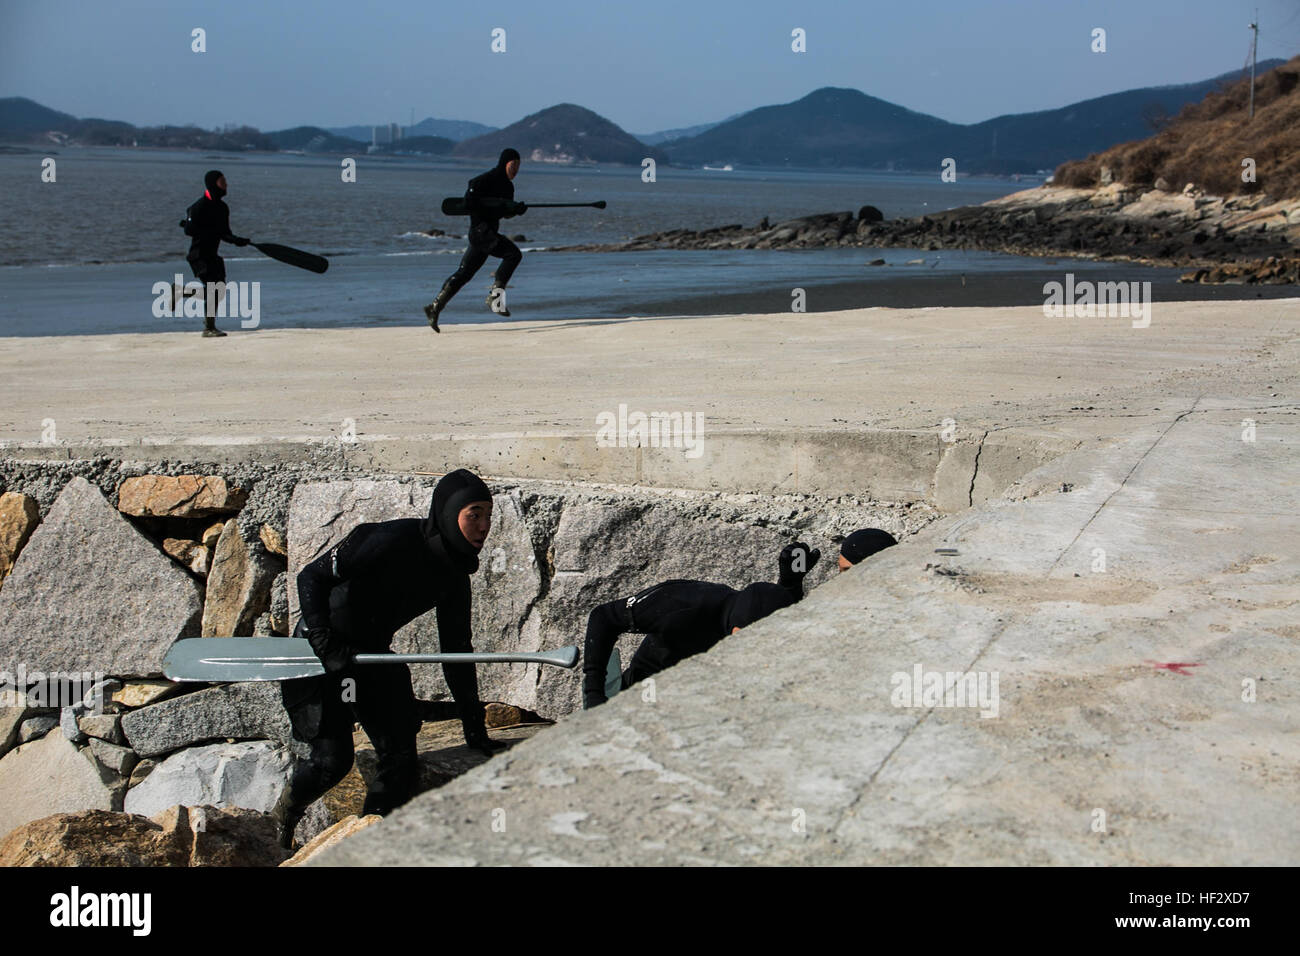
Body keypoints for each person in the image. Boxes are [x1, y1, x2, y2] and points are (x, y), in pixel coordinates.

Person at [274, 469, 502, 845]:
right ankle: (285, 815)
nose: (483, 527)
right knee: (332, 762)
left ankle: (369, 842)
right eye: (473, 514)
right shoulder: (387, 539)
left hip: (371, 658)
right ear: (448, 513)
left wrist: (473, 725)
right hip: (318, 651)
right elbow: (310, 577)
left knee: (399, 759)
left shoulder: (454, 576)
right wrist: (323, 640)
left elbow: (456, 652)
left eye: (488, 516)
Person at [581, 542, 819, 710]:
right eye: (745, 641)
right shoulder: (682, 604)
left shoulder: (752, 624)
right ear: (735, 629)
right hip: (649, 690)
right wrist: (594, 693)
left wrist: (791, 585)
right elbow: (604, 617)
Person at [424, 148, 526, 330]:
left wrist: (515, 210)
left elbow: (504, 213)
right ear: (505, 164)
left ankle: (434, 307)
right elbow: (470, 194)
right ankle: (495, 299)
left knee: (464, 274)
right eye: (513, 165)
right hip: (481, 232)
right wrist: (481, 203)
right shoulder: (487, 179)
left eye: (518, 166)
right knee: (513, 254)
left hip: (487, 235)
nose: (516, 170)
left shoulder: (508, 187)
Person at [179, 170, 250, 337]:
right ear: (212, 183)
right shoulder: (199, 206)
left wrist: (237, 240)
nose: (226, 184)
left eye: (225, 181)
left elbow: (225, 233)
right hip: (199, 255)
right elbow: (189, 231)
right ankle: (209, 328)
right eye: (222, 181)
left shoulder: (222, 208)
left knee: (220, 290)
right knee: (213, 290)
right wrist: (208, 230)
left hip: (212, 255)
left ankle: (181, 292)